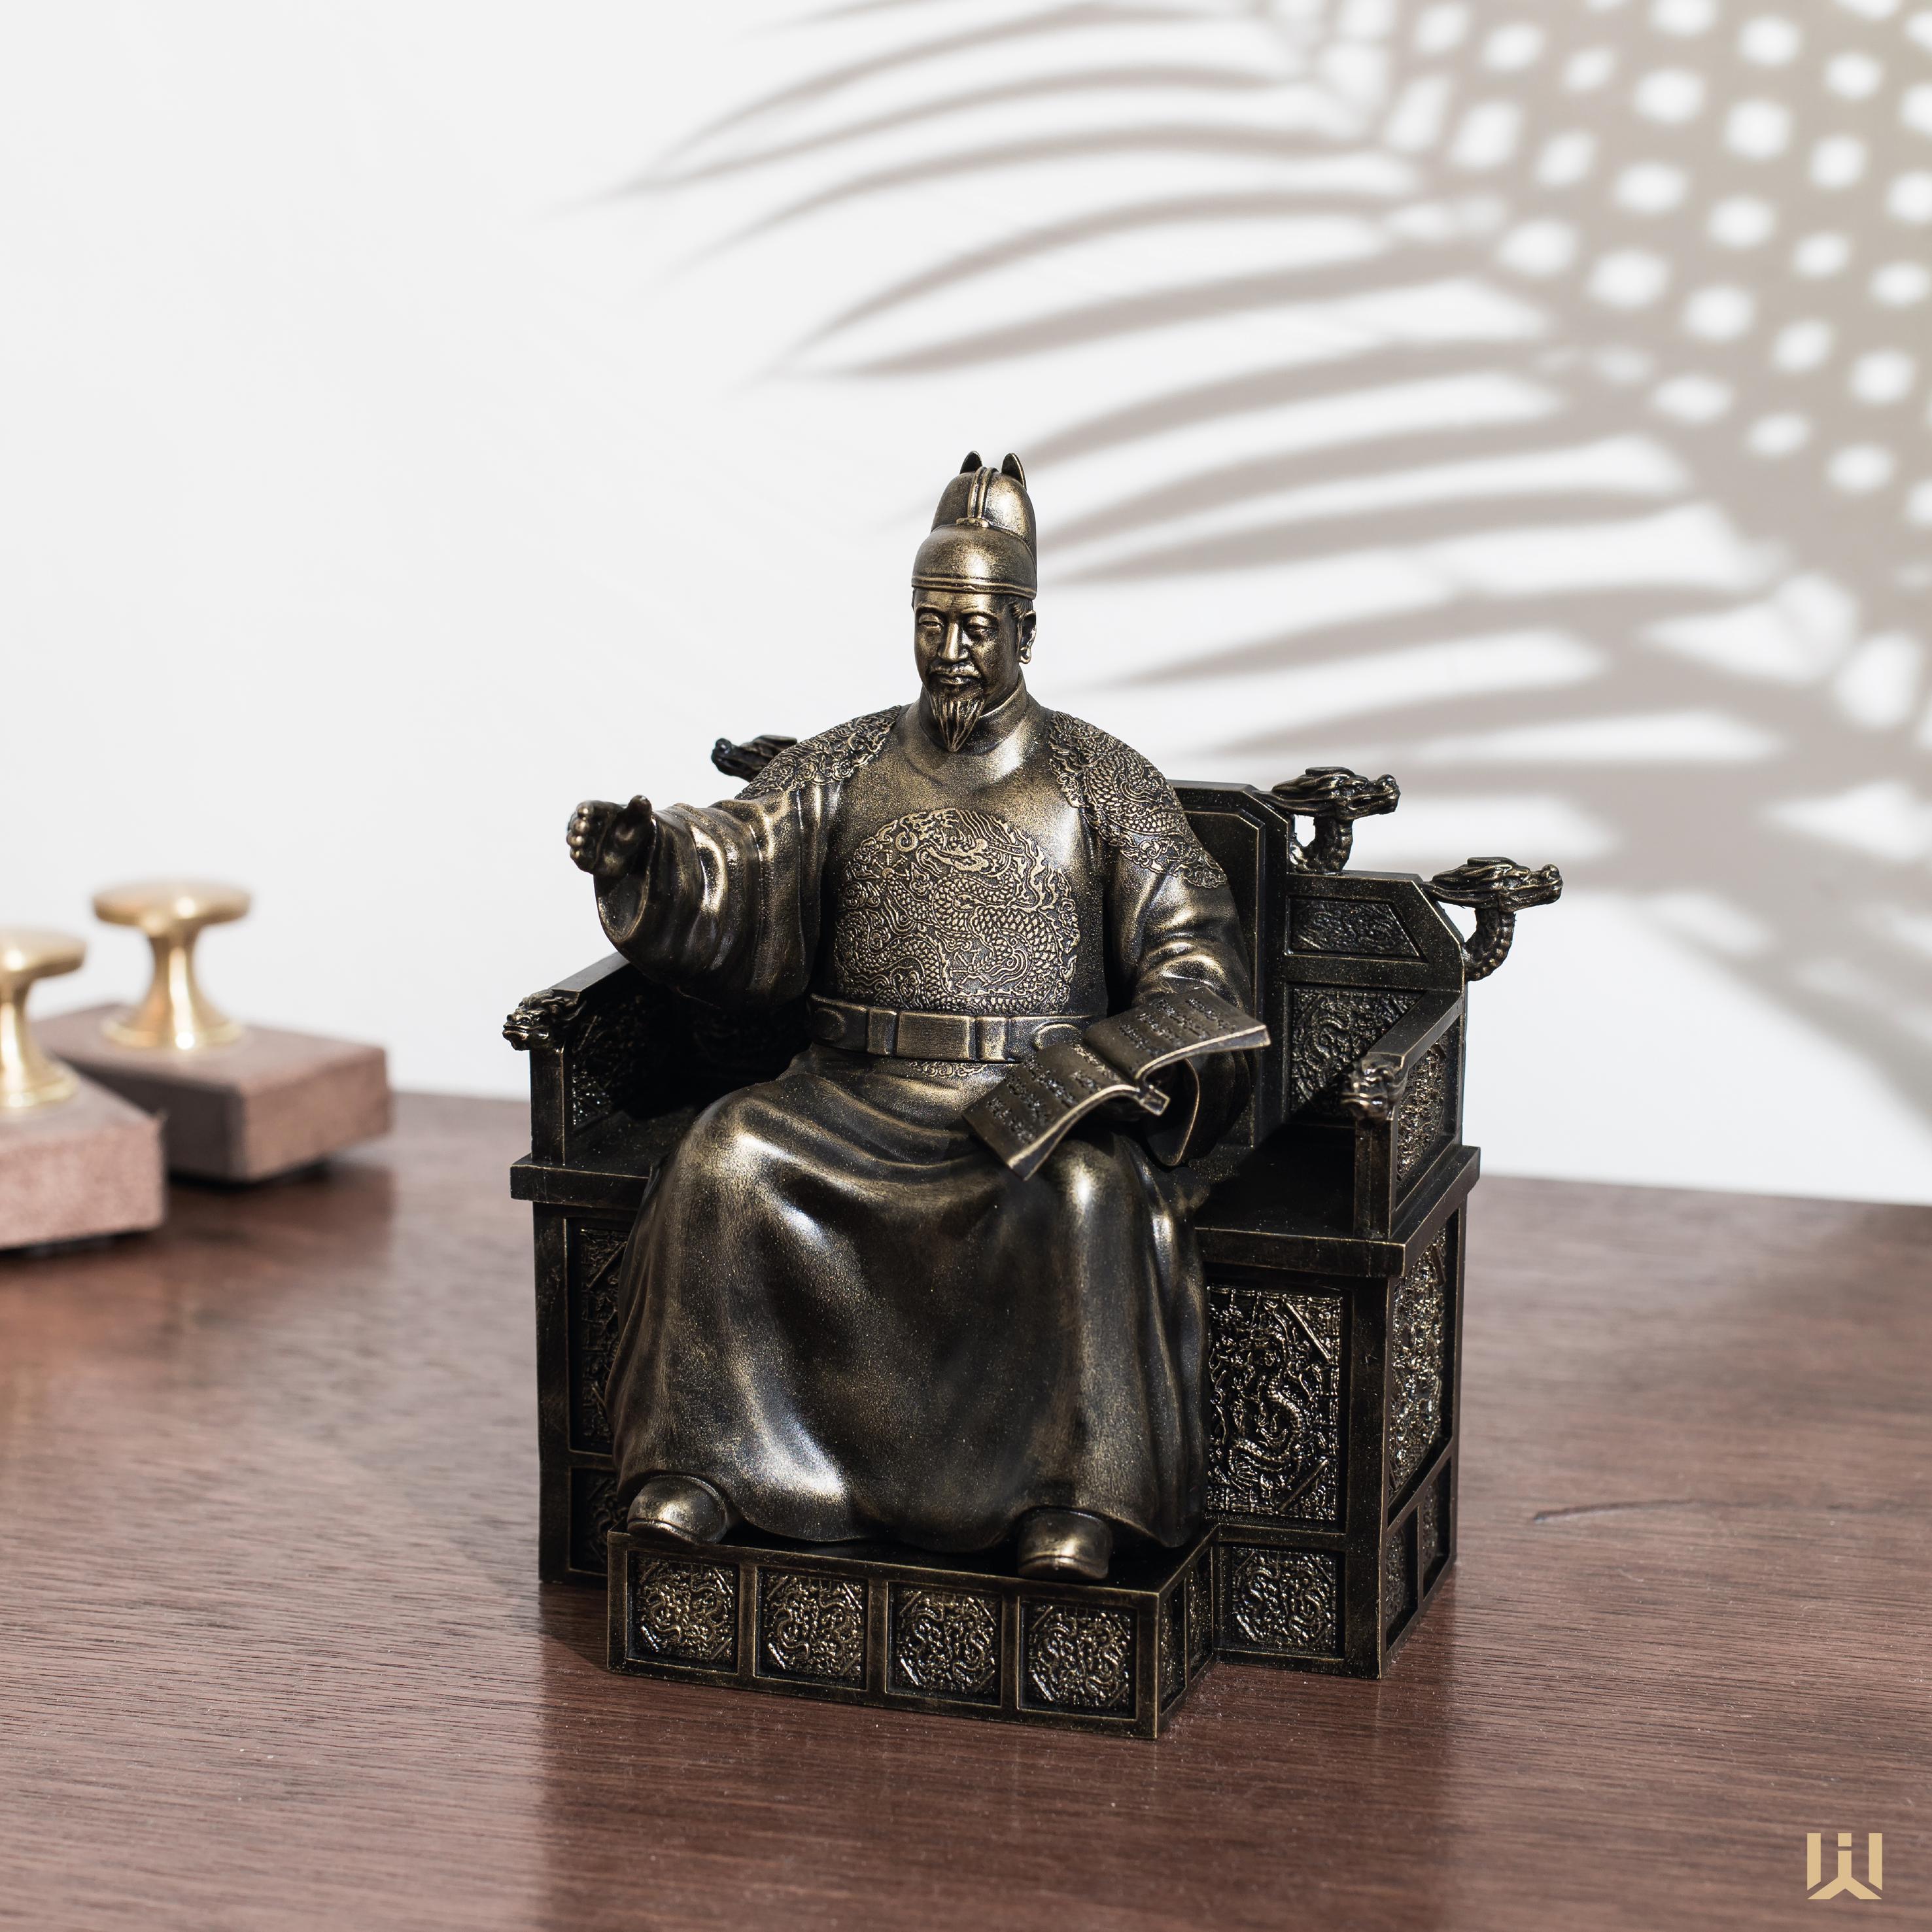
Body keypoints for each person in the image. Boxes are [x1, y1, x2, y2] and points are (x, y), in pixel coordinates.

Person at [566, 453, 1256, 1581]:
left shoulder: (1103, 781)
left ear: (1025, 629)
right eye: (931, 624)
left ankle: (1072, 1498)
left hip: (1025, 1111)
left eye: (976, 628)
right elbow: (741, 852)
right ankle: (701, 1466)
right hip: (851, 1093)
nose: (951, 651)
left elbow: (1193, 952)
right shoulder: (845, 762)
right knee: (724, 1160)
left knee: (1088, 1200)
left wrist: (1123, 1060)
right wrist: (651, 854)